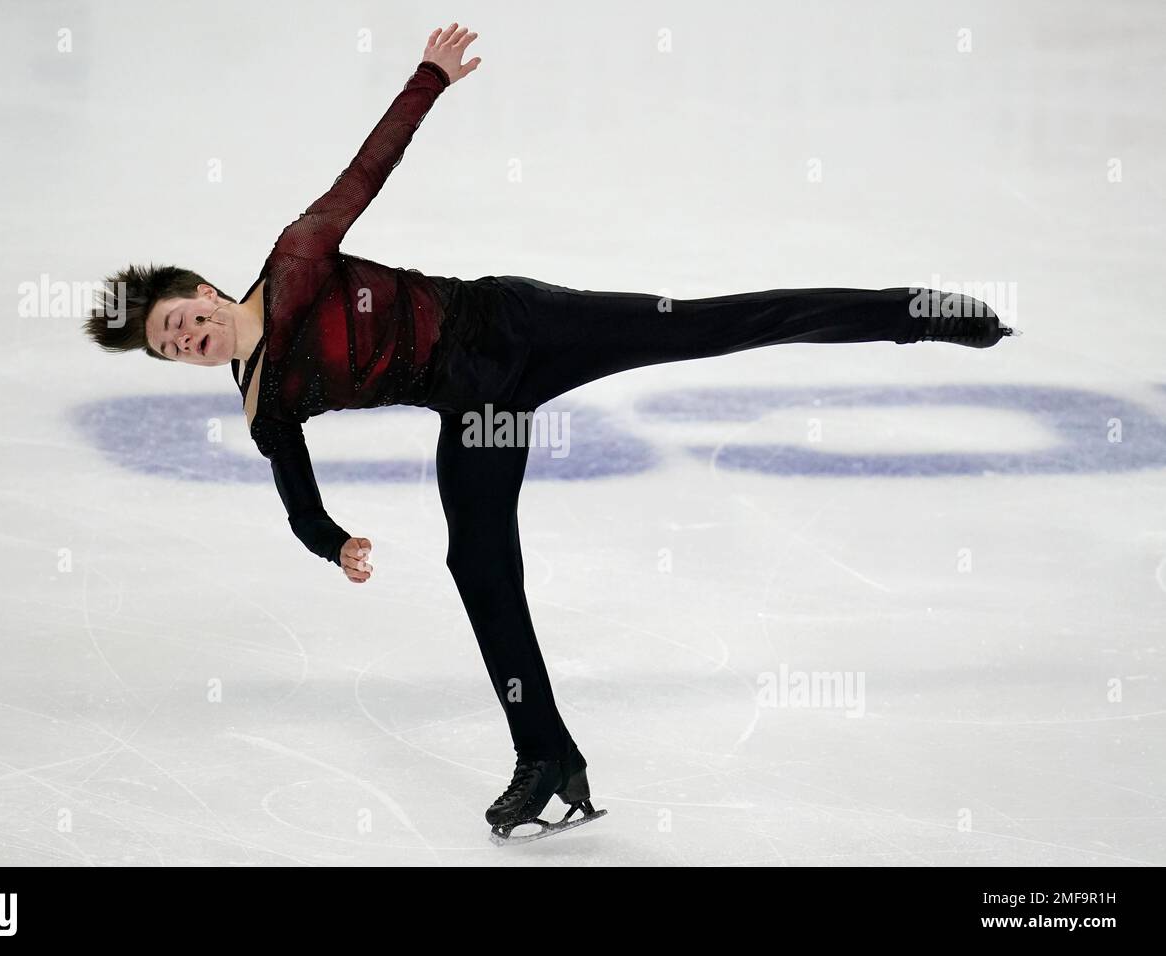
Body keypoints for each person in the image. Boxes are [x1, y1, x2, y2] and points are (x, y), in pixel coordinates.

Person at [83, 23, 1014, 836]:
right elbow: (298, 503)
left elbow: (363, 172)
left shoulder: (293, 262)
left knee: (709, 324)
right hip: (477, 409)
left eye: (181, 321)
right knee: (477, 565)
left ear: (202, 291)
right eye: (173, 350)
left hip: (517, 326)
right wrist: (337, 546)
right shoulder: (264, 403)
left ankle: (913, 310)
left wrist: (429, 80)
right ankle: (549, 760)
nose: (191, 341)